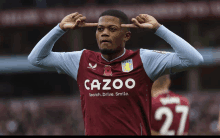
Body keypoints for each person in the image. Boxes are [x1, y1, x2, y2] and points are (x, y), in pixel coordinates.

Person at [28, 10, 203, 135]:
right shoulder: (81, 60)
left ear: (126, 35)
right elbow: (36, 59)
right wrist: (60, 29)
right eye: (100, 29)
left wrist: (158, 29)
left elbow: (194, 59)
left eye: (112, 29)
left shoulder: (144, 59)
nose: (104, 33)